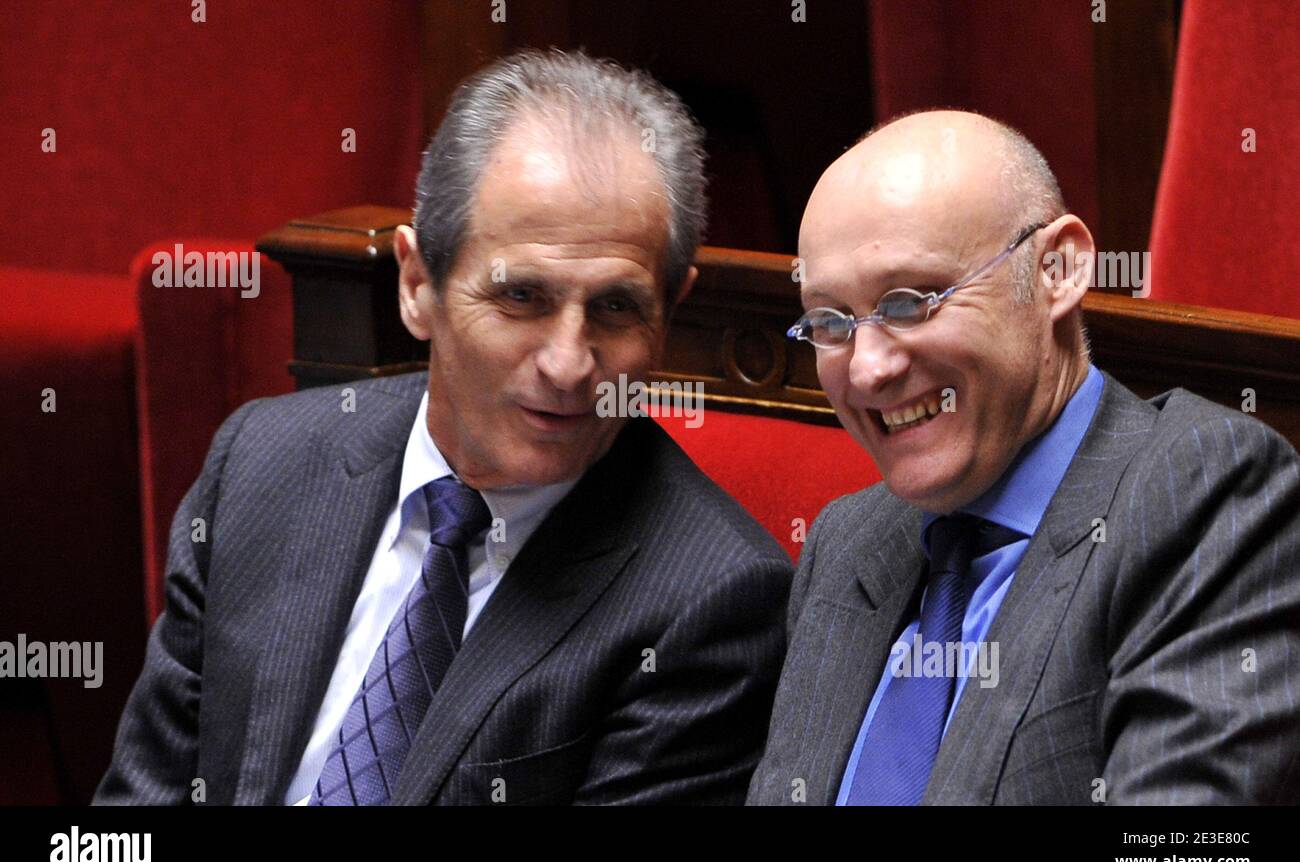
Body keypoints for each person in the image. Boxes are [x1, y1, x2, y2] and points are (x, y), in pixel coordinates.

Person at [96, 49, 791, 806]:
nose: (567, 364)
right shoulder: (261, 465)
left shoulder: (711, 605)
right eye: (522, 296)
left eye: (616, 308)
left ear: (671, 310)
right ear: (418, 284)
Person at [748, 110, 1300, 805]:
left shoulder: (1204, 491)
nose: (867, 370)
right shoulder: (848, 541)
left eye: (909, 303)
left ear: (1057, 270)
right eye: (830, 324)